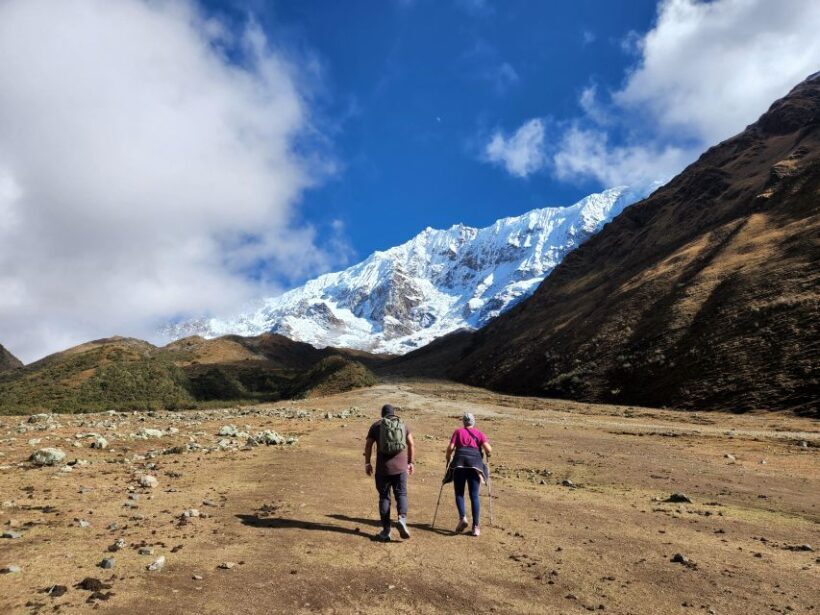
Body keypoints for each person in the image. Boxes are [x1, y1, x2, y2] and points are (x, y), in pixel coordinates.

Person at [364, 404, 415, 541]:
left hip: (383, 470)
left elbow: (368, 445)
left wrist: (367, 463)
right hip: (401, 468)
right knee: (401, 494)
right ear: (394, 413)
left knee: (384, 497)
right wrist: (410, 462)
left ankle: (386, 531)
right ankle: (402, 520)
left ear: (382, 414)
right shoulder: (403, 425)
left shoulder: (376, 426)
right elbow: (411, 443)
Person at [445, 412, 491, 537]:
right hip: (475, 465)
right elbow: (488, 449)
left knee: (459, 493)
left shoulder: (458, 432)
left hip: (459, 464)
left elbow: (451, 447)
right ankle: (476, 527)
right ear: (473, 422)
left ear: (464, 422)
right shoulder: (479, 433)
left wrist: (448, 457)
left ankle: (462, 518)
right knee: (474, 495)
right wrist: (488, 455)